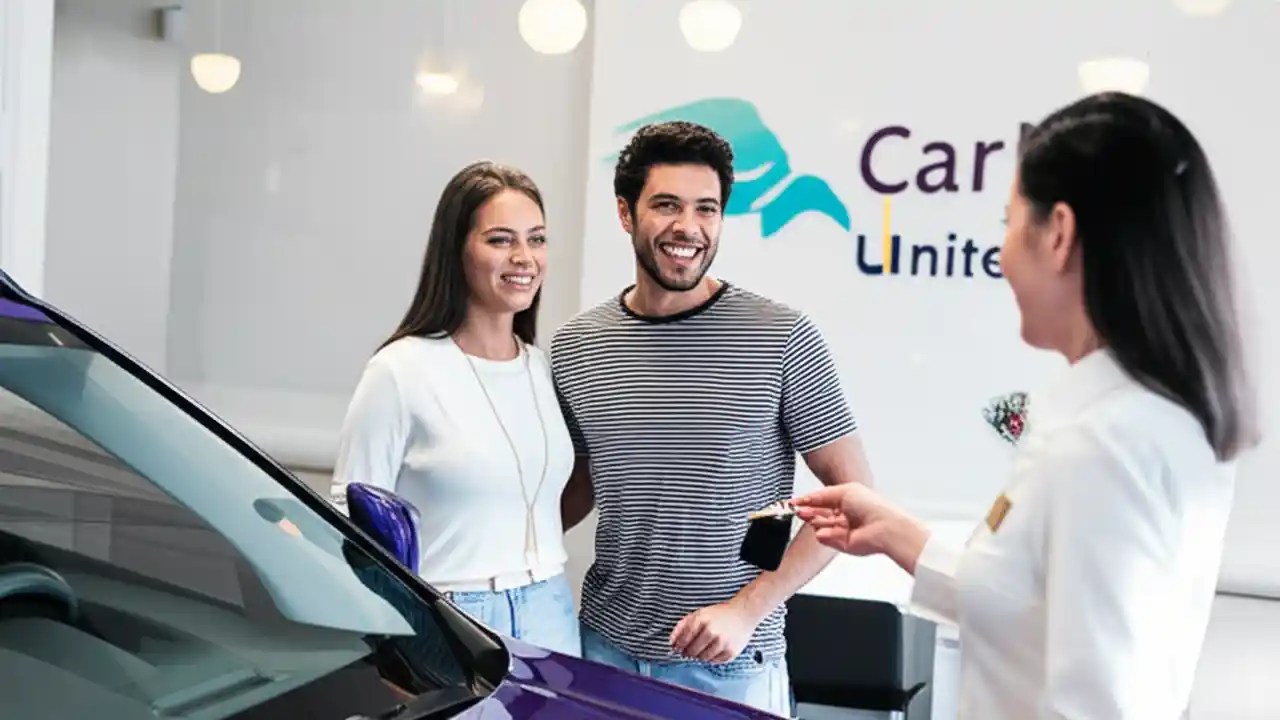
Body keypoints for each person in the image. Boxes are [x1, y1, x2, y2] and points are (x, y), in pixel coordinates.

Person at [791, 92, 1258, 719]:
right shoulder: (1151, 419)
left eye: (1007, 223)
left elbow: (1096, 705)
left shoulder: (1102, 446)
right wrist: (900, 537)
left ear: (1058, 233)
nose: (1002, 254)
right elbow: (1040, 607)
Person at [550, 120, 874, 714]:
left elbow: (852, 499)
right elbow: (580, 484)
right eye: (666, 205)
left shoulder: (780, 336)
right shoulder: (577, 346)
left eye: (707, 209)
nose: (688, 228)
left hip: (730, 666)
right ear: (626, 214)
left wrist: (747, 609)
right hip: (602, 654)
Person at [330, 160, 580, 657]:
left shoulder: (542, 368)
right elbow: (348, 515)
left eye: (537, 239)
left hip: (551, 607)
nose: (524, 257)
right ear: (457, 250)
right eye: (501, 239)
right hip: (450, 614)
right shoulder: (401, 370)